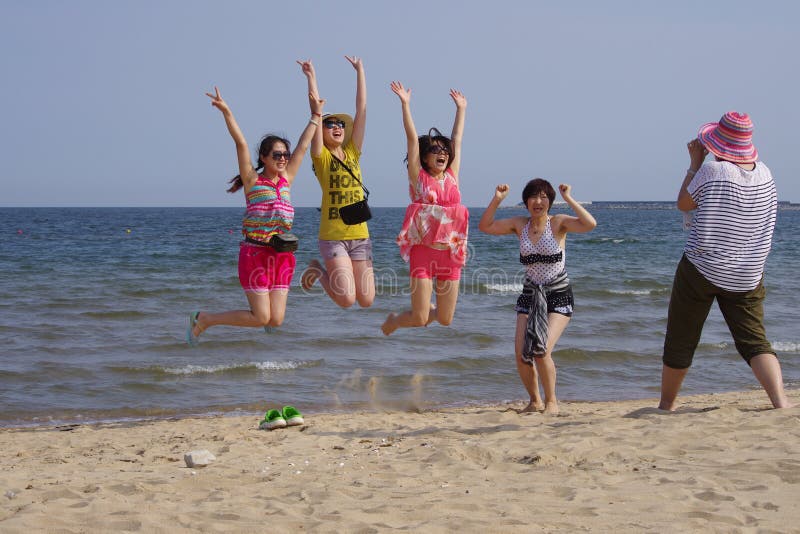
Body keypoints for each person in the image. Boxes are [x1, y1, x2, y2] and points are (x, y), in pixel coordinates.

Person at [659, 111, 792, 410]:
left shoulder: (711, 171)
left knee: (681, 337)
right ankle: (780, 401)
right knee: (755, 341)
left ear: (718, 144)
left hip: (701, 268)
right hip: (747, 272)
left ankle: (666, 405)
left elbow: (683, 203)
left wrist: (694, 164)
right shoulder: (766, 173)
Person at [186, 86, 324, 344]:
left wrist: (316, 116)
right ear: (264, 157)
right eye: (277, 155)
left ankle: (265, 315)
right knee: (261, 318)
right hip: (255, 255)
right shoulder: (252, 181)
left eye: (285, 155)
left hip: (282, 256)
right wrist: (226, 111)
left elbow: (303, 147)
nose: (283, 159)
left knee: (276, 320)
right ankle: (204, 319)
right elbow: (240, 143)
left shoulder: (286, 179)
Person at [479, 180, 596, 415]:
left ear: (550, 201)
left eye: (543, 197)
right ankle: (535, 401)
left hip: (558, 294)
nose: (538, 201)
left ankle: (552, 401)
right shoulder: (520, 225)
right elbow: (485, 226)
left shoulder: (558, 222)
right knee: (521, 354)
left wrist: (568, 198)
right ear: (526, 202)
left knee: (541, 350)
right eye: (533, 196)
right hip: (530, 294)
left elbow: (589, 224)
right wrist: (497, 200)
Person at [381, 81, 469, 336]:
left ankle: (422, 310)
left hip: (450, 254)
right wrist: (405, 104)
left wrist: (461, 109)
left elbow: (457, 140)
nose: (442, 153)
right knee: (420, 319)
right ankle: (395, 320)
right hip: (423, 252)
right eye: (435, 150)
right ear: (425, 157)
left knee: (445, 319)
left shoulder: (452, 175)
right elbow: (411, 138)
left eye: (444, 151)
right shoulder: (418, 177)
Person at [296, 57, 375, 308]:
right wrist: (311, 77)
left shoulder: (353, 152)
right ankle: (316, 269)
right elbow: (315, 112)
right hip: (333, 237)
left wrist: (360, 71)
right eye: (330, 124)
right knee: (346, 299)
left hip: (360, 235)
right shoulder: (322, 158)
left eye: (340, 124)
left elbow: (362, 110)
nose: (337, 127)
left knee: (367, 300)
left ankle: (319, 269)